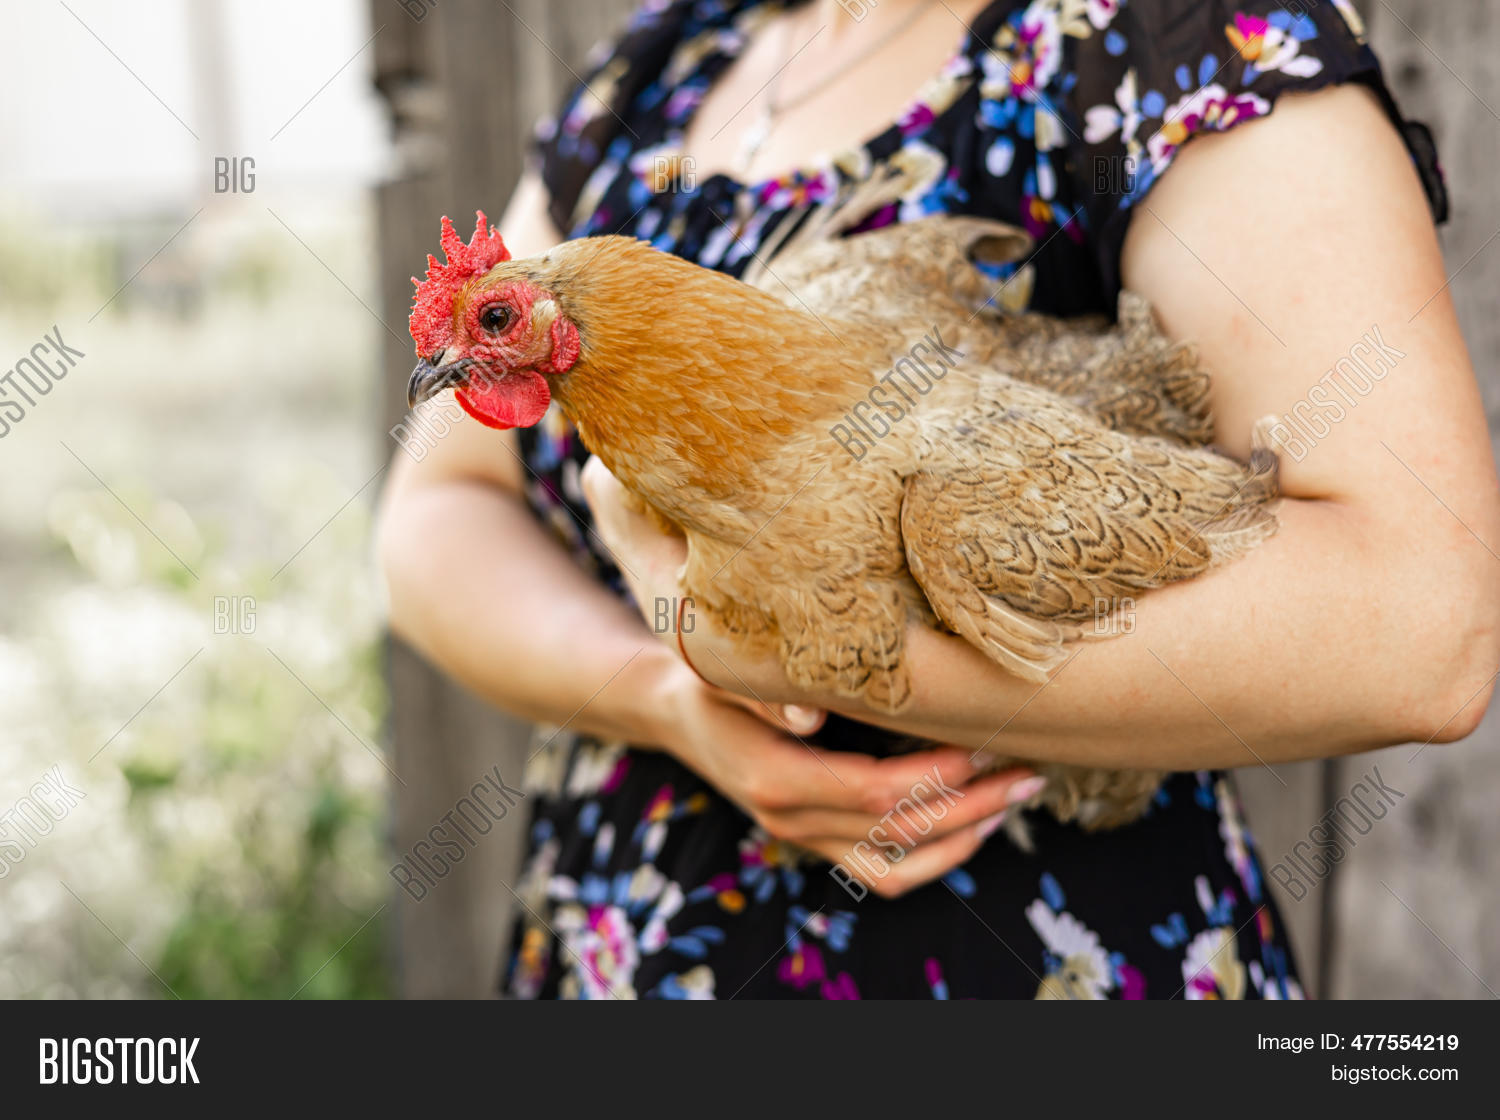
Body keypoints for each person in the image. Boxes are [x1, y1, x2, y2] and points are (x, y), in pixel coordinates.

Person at [377, 0, 1498, 999]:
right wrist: (664, 692)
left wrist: (768, 651)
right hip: (626, 924)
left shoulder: (1173, 36)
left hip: (1021, 951)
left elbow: (1429, 629)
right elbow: (436, 515)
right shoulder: (661, 61)